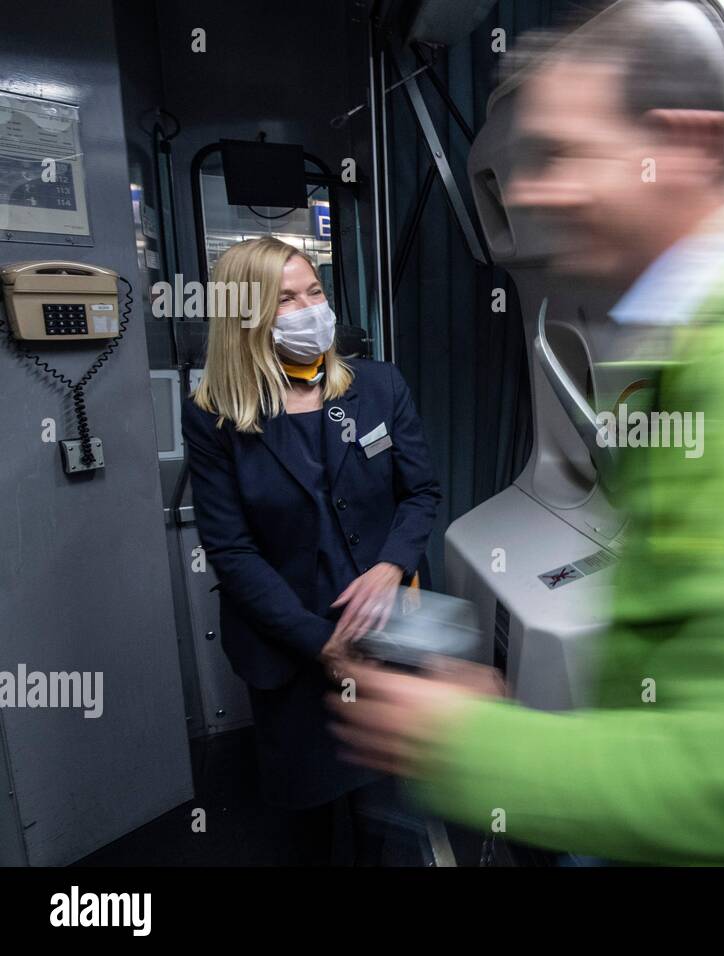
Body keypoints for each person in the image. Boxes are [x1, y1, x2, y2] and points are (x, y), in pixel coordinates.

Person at [328, 1, 724, 865]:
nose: (539, 193)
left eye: (568, 155)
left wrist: (467, 745)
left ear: (685, 146)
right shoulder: (696, 351)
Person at [182, 236, 440, 863]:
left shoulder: (378, 387)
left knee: (389, 807)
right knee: (309, 821)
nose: (308, 310)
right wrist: (317, 643)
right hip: (290, 642)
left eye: (314, 292)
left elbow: (422, 493)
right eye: (285, 300)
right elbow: (232, 549)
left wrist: (391, 562)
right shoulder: (215, 416)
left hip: (388, 628)